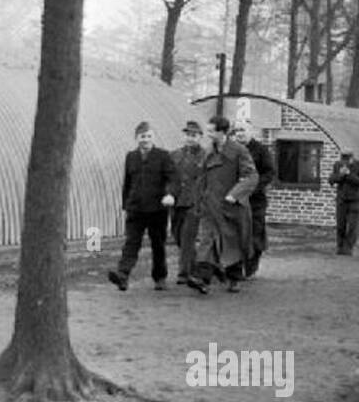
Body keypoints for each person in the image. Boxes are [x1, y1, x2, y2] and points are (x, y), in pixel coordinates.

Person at [187, 115, 258, 295]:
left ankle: (234, 278)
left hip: (231, 206)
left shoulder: (239, 150)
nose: (208, 134)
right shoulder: (208, 151)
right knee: (207, 240)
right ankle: (202, 278)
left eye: (211, 131)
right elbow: (202, 179)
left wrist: (235, 194)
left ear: (222, 132)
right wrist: (198, 201)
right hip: (210, 205)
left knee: (232, 241)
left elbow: (251, 176)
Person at [108, 121, 176, 292]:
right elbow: (127, 182)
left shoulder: (163, 156)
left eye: (148, 136)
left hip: (157, 209)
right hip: (136, 208)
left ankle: (160, 277)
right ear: (136, 138)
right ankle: (123, 275)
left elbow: (173, 178)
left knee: (158, 244)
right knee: (131, 242)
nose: (145, 139)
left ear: (153, 137)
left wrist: (170, 194)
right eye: (142, 136)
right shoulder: (131, 157)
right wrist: (126, 204)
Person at [232, 124, 276, 277]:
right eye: (237, 131)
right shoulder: (232, 150)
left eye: (243, 130)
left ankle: (251, 266)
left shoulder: (261, 150)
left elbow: (269, 173)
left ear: (251, 131)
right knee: (236, 233)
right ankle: (235, 267)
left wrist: (252, 187)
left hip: (255, 200)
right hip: (236, 198)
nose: (240, 133)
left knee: (255, 232)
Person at [169, 120, 205, 285]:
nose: (190, 138)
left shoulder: (206, 156)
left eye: (194, 135)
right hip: (177, 202)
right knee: (177, 235)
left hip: (194, 203)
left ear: (200, 137)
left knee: (187, 237)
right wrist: (168, 194)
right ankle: (199, 266)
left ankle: (183, 273)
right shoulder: (175, 155)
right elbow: (169, 177)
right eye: (188, 135)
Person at [328, 148, 359, 255]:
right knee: (341, 225)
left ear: (352, 158)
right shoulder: (337, 165)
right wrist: (340, 175)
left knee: (353, 226)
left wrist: (349, 174)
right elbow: (331, 180)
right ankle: (340, 246)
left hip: (355, 200)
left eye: (347, 158)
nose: (344, 161)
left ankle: (348, 247)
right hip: (342, 199)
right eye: (343, 158)